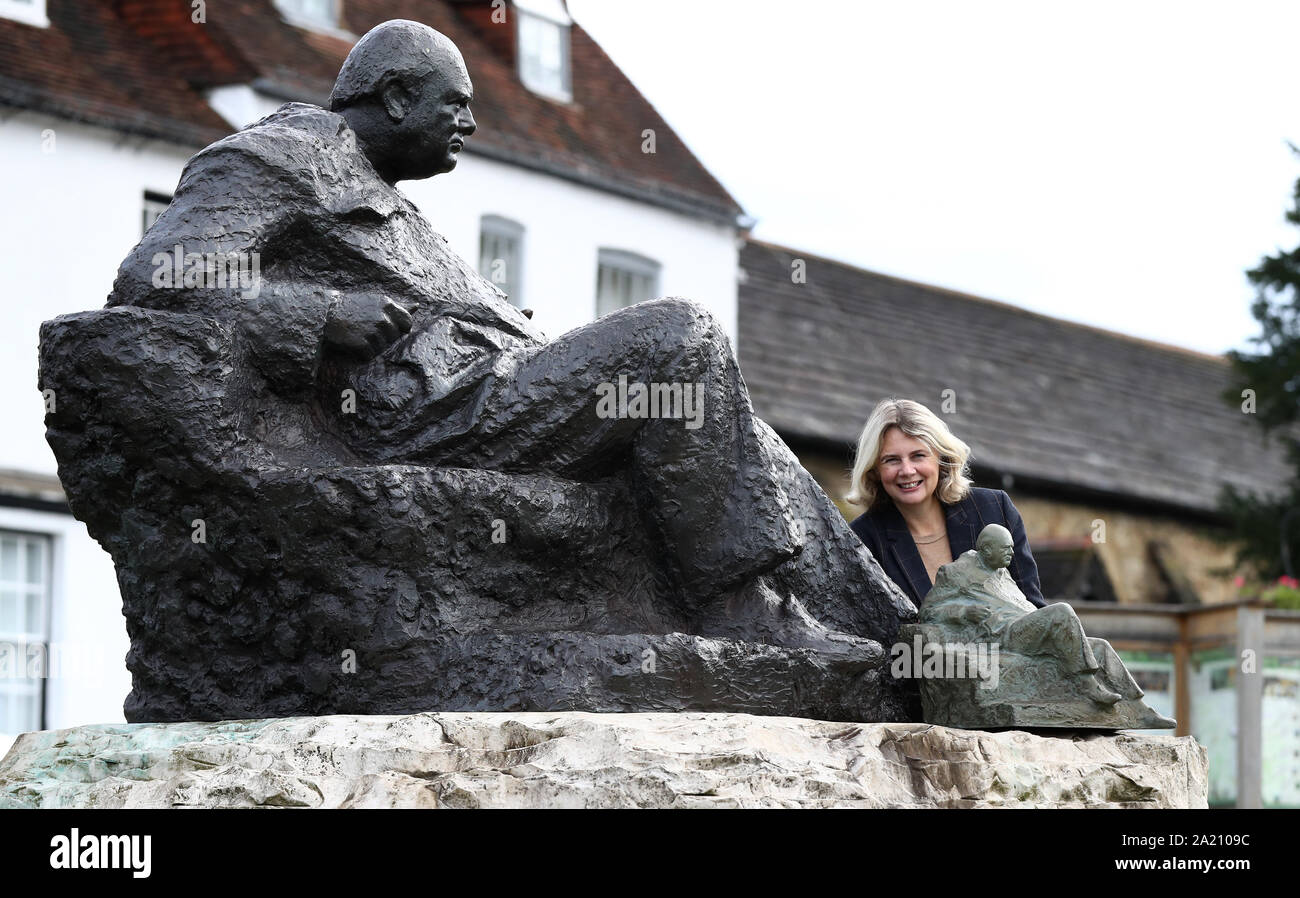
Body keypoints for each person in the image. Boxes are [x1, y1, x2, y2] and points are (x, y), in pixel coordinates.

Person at [105, 19, 909, 637]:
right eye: (456, 107)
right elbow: (158, 275)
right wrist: (317, 315)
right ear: (395, 99)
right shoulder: (273, 158)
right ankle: (742, 616)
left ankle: (906, 634)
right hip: (427, 410)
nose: (470, 125)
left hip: (481, 388)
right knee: (679, 339)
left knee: (741, 425)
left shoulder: (384, 188)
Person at [846, 397, 1046, 609]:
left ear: (940, 458)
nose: (906, 471)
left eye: (918, 456)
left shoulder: (994, 510)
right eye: (892, 460)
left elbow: (1033, 610)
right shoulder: (861, 542)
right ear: (875, 469)